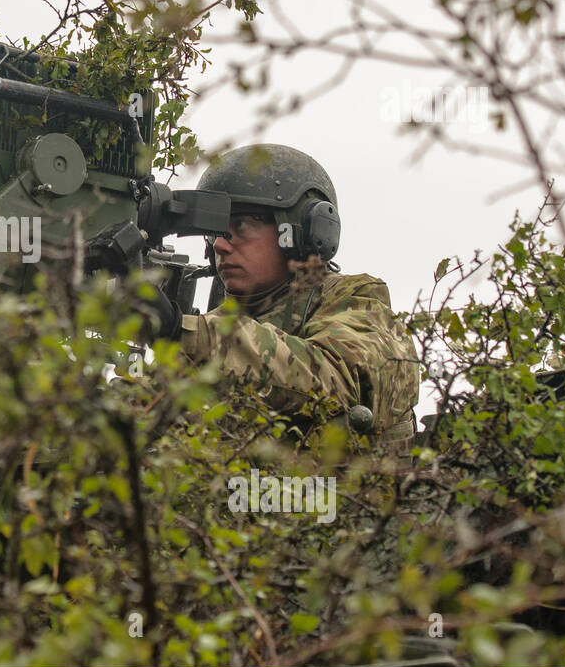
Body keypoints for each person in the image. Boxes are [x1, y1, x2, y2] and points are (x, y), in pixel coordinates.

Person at [177, 144, 420, 453]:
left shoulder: (358, 300)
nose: (220, 246)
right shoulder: (210, 330)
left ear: (299, 232)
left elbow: (335, 386)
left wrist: (183, 331)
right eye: (213, 233)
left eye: (240, 226)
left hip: (338, 499)